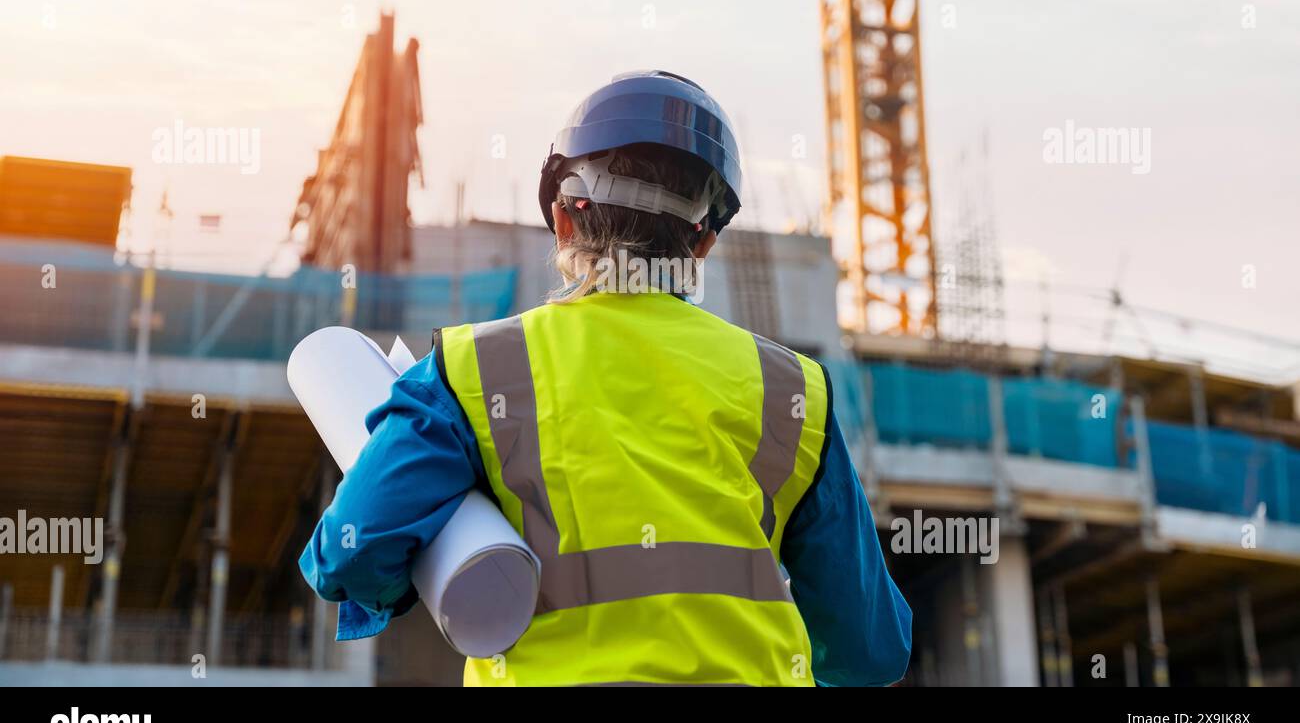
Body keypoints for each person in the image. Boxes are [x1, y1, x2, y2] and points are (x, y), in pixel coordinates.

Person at [299, 70, 911, 686]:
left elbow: (347, 554)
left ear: (564, 223)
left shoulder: (471, 372)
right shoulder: (792, 392)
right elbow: (871, 649)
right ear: (702, 242)